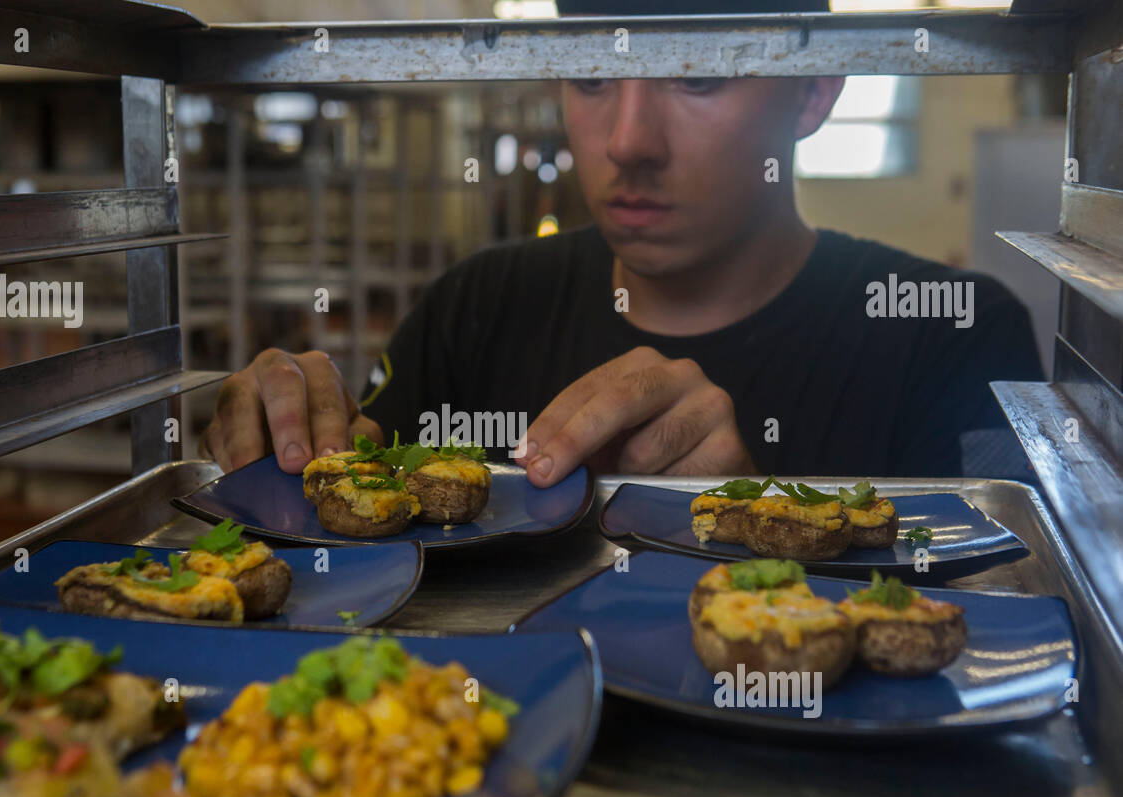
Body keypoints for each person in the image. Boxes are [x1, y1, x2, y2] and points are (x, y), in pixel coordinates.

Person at [200, 0, 1042, 485]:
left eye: (698, 76)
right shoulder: (480, 303)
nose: (628, 141)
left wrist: (757, 529)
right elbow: (371, 527)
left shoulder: (950, 332)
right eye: (593, 78)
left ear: (814, 93)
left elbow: (1009, 642)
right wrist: (296, 446)